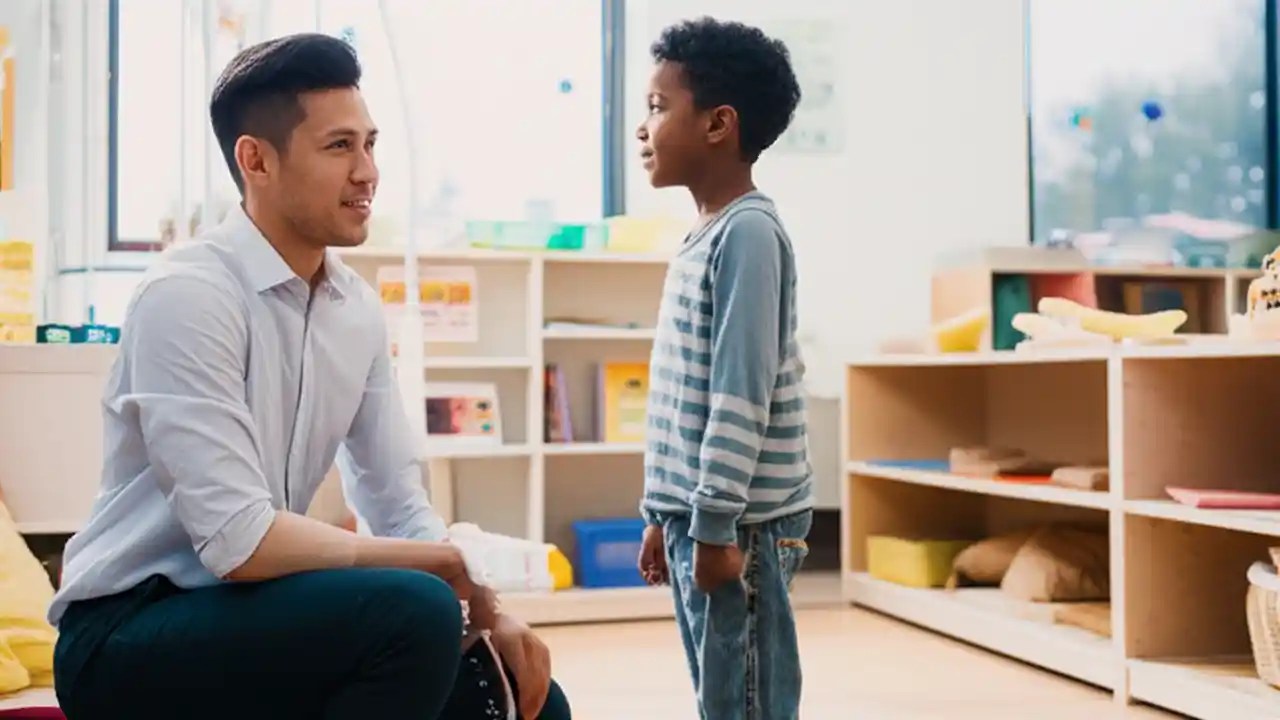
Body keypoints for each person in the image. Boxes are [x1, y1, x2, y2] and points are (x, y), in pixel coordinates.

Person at [49, 33, 569, 720]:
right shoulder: (187, 295)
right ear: (255, 160)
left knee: (524, 695)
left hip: (254, 613)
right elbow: (239, 542)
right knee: (411, 610)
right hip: (129, 630)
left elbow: (396, 500)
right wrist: (443, 573)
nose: (368, 172)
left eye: (371, 144)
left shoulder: (355, 307)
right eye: (338, 147)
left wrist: (483, 607)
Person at [633, 17, 813, 720]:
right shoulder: (702, 236)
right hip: (701, 515)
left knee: (748, 697)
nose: (643, 128)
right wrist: (663, 512)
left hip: (743, 524)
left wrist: (711, 525)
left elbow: (741, 395)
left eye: (657, 106)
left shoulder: (749, 235)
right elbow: (681, 398)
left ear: (718, 125)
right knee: (719, 688)